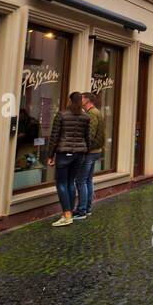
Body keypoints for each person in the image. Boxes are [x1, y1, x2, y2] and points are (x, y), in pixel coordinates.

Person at [46, 92, 91, 227]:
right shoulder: (86, 117)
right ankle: (69, 213)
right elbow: (87, 137)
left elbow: (54, 137)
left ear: (70, 101)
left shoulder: (61, 115)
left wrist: (50, 155)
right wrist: (85, 151)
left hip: (64, 154)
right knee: (70, 183)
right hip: (79, 154)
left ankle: (66, 215)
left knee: (61, 184)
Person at [75, 93, 105, 218]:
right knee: (87, 180)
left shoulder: (92, 113)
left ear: (86, 100)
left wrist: (82, 149)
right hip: (95, 151)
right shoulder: (97, 112)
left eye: (81, 98)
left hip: (90, 152)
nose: (79, 100)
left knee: (81, 180)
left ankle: (82, 210)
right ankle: (87, 208)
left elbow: (90, 134)